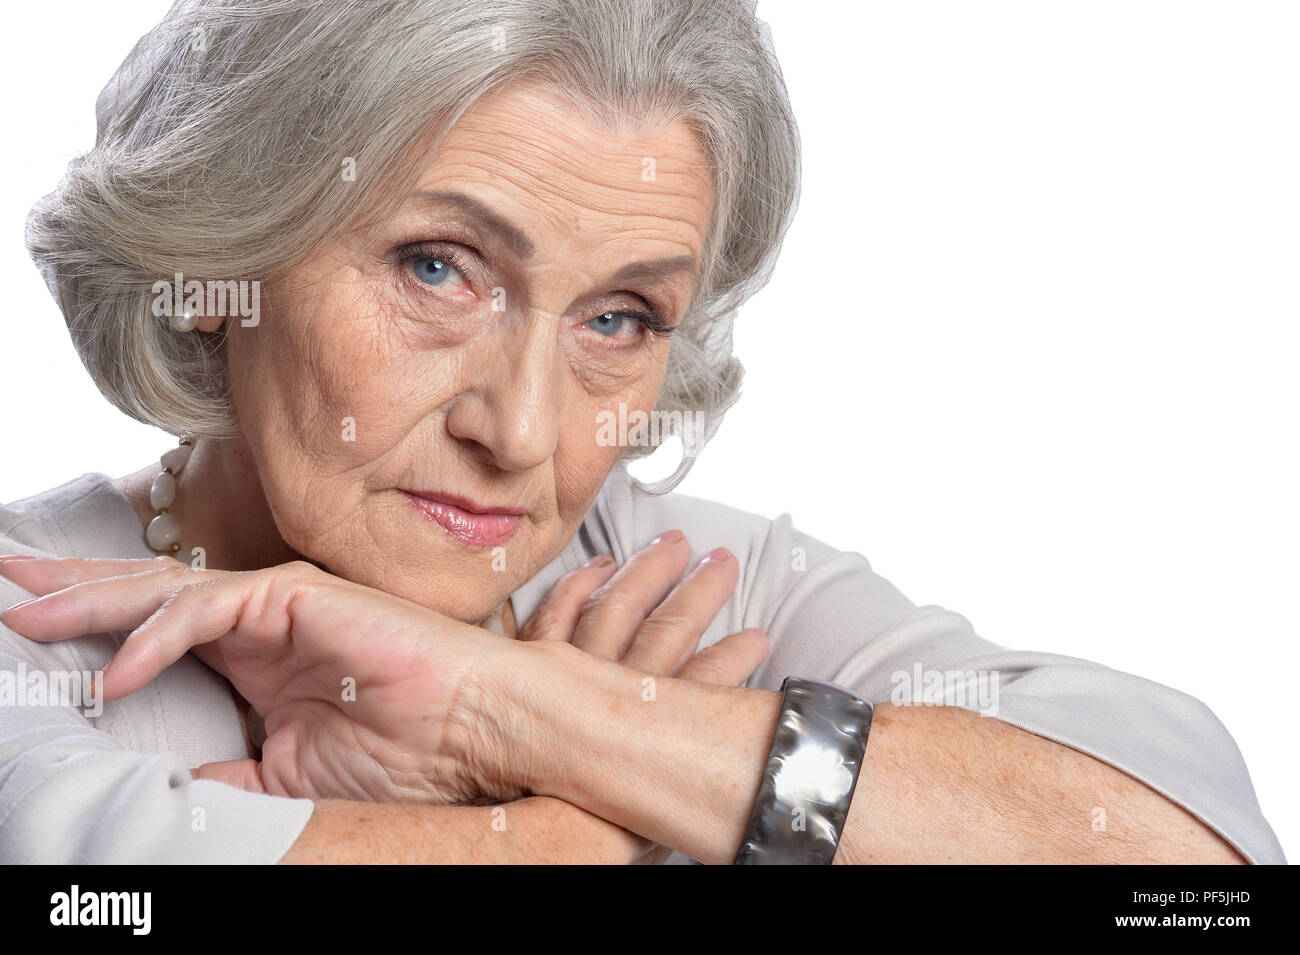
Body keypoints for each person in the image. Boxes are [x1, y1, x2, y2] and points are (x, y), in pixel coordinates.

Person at [0, 0, 1283, 864]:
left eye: (618, 315)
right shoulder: (29, 613)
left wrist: (522, 708)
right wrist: (579, 815)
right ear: (226, 253)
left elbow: (1185, 863)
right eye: (437, 269)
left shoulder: (696, 590)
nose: (520, 429)